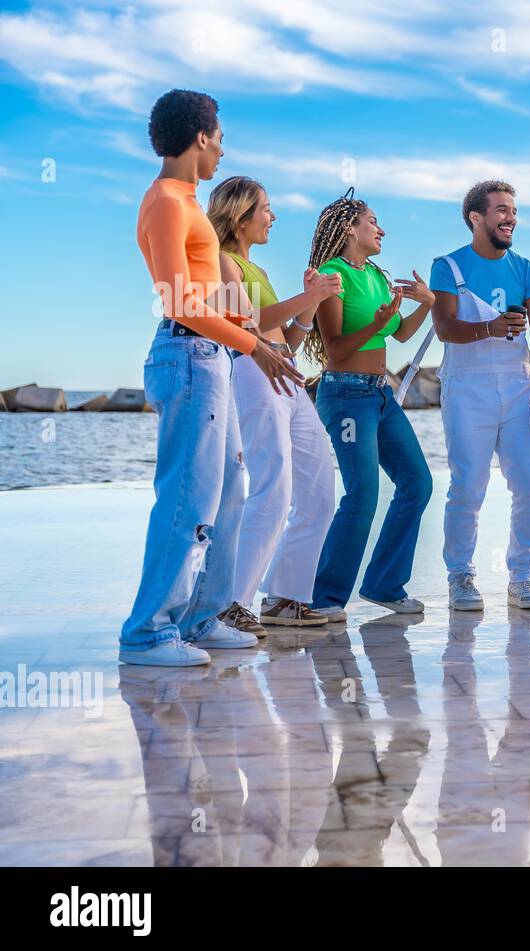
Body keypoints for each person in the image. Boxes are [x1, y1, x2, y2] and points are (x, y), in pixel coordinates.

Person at [120, 89, 303, 667]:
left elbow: (207, 298)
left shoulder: (188, 202)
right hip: (188, 357)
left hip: (211, 358)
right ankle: (148, 632)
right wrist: (254, 344)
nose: (222, 150)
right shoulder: (168, 201)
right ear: (200, 136)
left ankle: (201, 619)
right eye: (220, 138)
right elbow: (178, 302)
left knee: (230, 492)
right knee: (187, 497)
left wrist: (250, 332)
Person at [206, 175, 340, 635]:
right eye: (265, 209)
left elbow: (291, 338)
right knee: (273, 485)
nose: (272, 217)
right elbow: (248, 324)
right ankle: (232, 602)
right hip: (252, 371)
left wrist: (307, 307)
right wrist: (310, 296)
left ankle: (285, 596)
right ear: (241, 216)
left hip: (286, 374)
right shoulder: (223, 263)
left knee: (320, 487)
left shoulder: (257, 270)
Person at [429, 180, 530, 612]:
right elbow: (445, 327)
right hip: (467, 388)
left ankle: (523, 577)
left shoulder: (528, 269)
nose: (510, 218)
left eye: (514, 211)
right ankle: (460, 576)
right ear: (476, 218)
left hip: (519, 385)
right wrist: (490, 327)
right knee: (468, 485)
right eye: (501, 210)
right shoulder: (448, 266)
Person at [305, 189, 435, 619]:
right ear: (349, 228)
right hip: (345, 394)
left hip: (380, 396)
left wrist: (428, 306)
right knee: (363, 494)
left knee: (417, 483)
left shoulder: (378, 275)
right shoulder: (333, 275)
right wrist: (376, 323)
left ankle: (383, 584)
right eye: (373, 221)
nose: (381, 229)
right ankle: (325, 599)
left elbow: (398, 335)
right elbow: (336, 351)